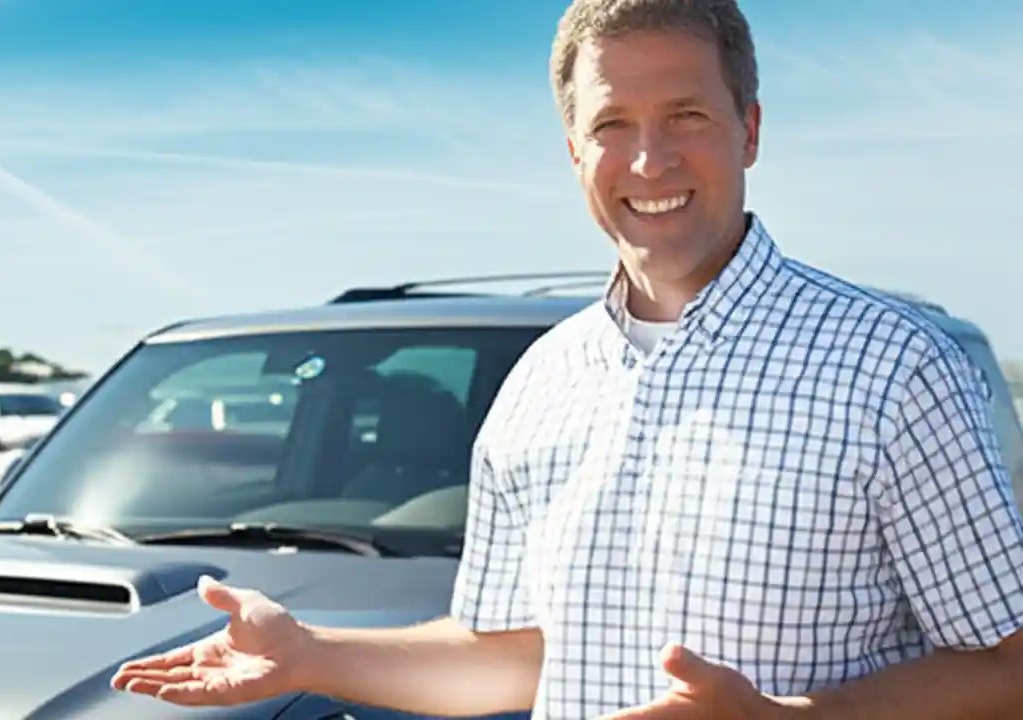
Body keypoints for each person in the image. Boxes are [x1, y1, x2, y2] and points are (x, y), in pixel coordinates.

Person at [111, 0, 1023, 717]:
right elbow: (512, 657)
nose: (650, 158)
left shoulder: (893, 366)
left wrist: (795, 719)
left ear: (749, 130)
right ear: (574, 149)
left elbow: (1007, 668)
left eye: (687, 115)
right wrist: (313, 655)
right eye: (612, 123)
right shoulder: (540, 385)